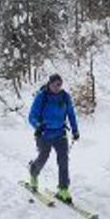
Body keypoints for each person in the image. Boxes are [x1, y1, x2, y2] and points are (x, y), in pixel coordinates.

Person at [27, 73, 80, 203]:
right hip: (44, 134)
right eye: (55, 84)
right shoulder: (42, 97)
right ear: (49, 84)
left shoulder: (65, 97)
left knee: (63, 160)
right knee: (43, 157)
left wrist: (75, 130)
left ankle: (63, 189)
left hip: (60, 133)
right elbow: (32, 116)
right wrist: (38, 126)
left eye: (60, 85)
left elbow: (71, 114)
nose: (58, 87)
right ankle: (33, 172)